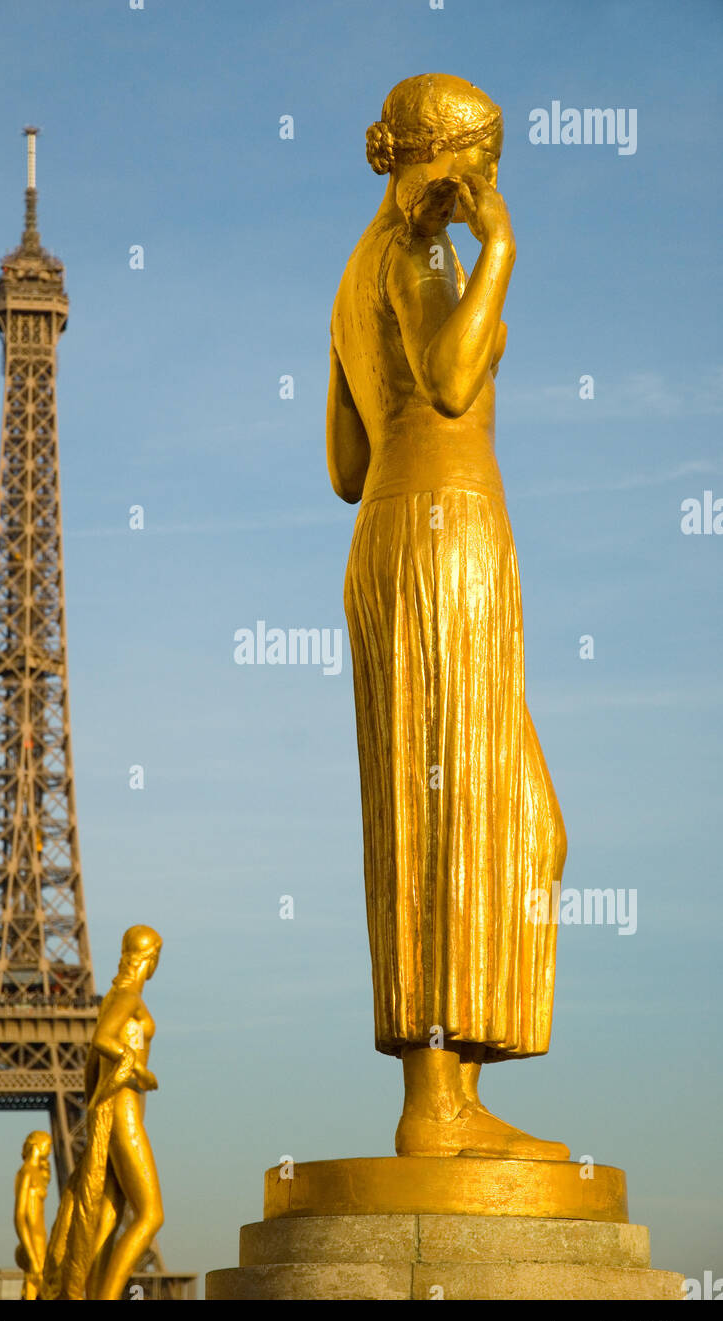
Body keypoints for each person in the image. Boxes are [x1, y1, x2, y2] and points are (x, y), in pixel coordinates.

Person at [328, 73, 568, 1160]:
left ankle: (454, 1092)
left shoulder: (358, 267)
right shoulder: (425, 253)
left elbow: (341, 464)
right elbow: (456, 377)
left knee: (516, 820)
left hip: (397, 528)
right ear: (450, 159)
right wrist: (502, 248)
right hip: (444, 535)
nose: (490, 182)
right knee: (457, 800)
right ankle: (435, 1102)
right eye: (486, 161)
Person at [42, 925, 164, 1299]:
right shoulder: (127, 996)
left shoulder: (119, 994)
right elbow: (103, 1040)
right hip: (123, 1114)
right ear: (150, 957)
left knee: (105, 1217)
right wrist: (138, 1070)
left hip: (116, 1113)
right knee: (151, 1215)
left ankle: (85, 1292)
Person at [13, 1129, 52, 1299]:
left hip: (41, 1240)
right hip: (33, 1243)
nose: (50, 1150)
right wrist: (31, 1254)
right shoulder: (26, 1172)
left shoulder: (35, 1172)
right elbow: (19, 1216)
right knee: (36, 1286)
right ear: (37, 1144)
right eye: (48, 1145)